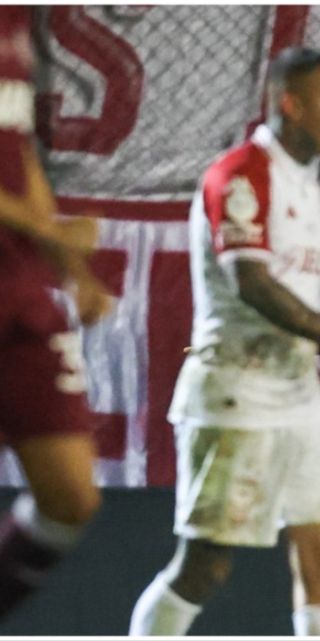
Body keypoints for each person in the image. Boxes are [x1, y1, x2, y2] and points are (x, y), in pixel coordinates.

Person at [128, 48, 320, 636]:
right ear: (290, 103)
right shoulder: (240, 173)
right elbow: (251, 283)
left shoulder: (309, 187)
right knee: (204, 567)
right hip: (237, 392)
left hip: (300, 396)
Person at [0, 5, 113, 623]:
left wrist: (72, 268)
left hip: (19, 288)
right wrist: (53, 231)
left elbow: (20, 162)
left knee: (71, 496)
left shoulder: (16, 21)